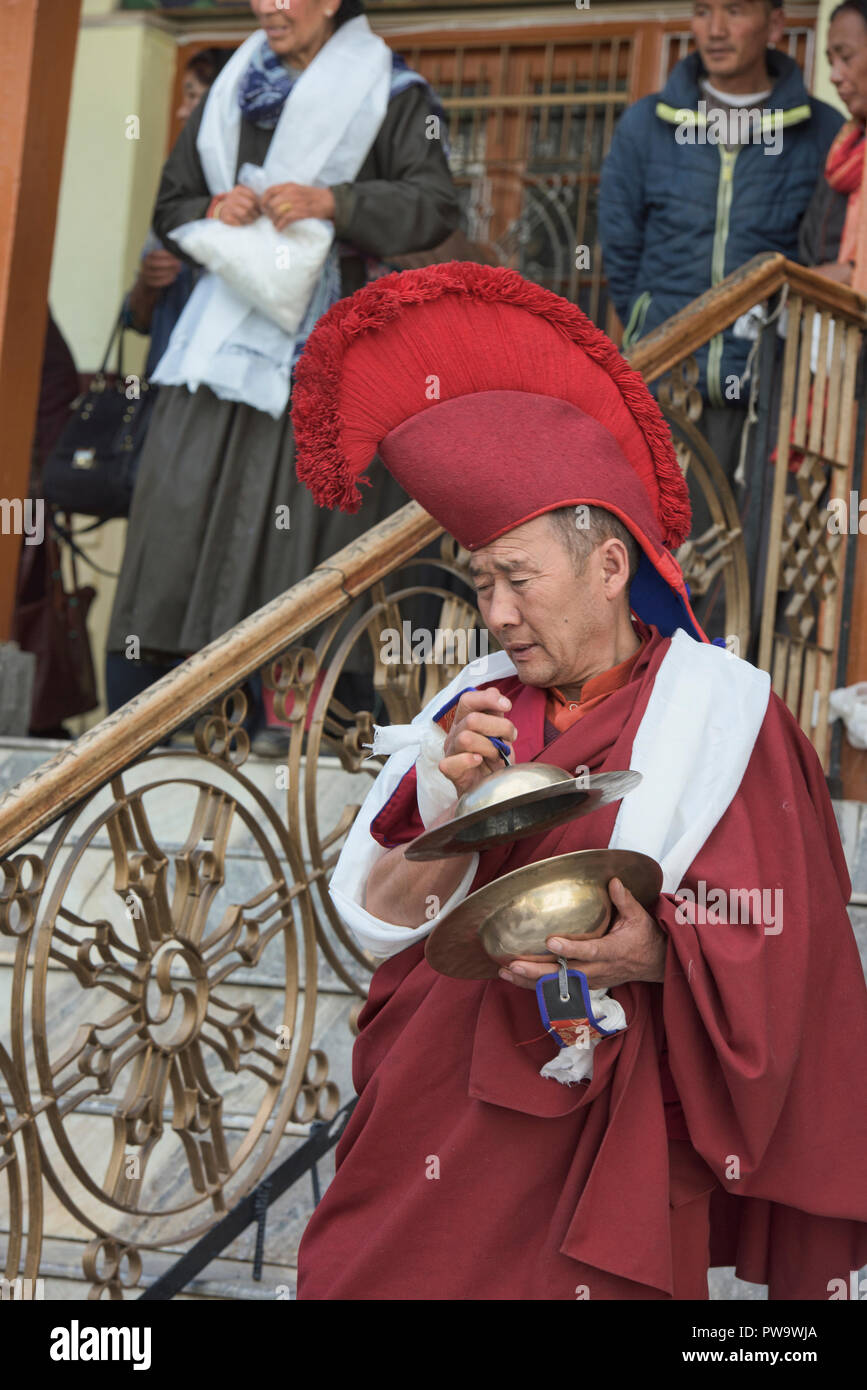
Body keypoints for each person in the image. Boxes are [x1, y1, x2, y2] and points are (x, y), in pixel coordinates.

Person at [288, 261, 867, 1300]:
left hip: (607, 1102)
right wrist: (433, 796)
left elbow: (792, 940)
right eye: (480, 581)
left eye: (519, 578)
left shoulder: (722, 714)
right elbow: (379, 923)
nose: (498, 614)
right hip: (435, 1099)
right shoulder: (467, 703)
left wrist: (660, 953)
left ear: (609, 567)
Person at [105, 0, 460, 723]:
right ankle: (170, 722)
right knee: (176, 520)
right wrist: (216, 204)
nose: (266, 6)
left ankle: (298, 730)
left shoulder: (394, 93)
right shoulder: (233, 89)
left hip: (325, 351)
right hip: (216, 349)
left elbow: (434, 206)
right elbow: (170, 204)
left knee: (295, 543)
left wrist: (336, 201)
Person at [599, 1, 843, 637]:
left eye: (734, 11)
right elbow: (621, 256)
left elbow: (821, 255)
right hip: (664, 388)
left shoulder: (820, 132)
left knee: (752, 571)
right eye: (703, 10)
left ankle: (737, 714)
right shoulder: (646, 127)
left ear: (775, 22)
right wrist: (655, 327)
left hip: (769, 392)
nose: (714, 28)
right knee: (651, 561)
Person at [123, 48, 231, 380]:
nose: (182, 111)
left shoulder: (262, 190)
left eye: (193, 96)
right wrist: (148, 282)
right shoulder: (176, 194)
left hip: (226, 388)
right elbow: (137, 320)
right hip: (166, 387)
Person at [800, 0, 867, 280]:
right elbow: (810, 251)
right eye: (830, 61)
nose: (834, 76)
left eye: (846, 57)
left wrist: (850, 276)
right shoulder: (843, 153)